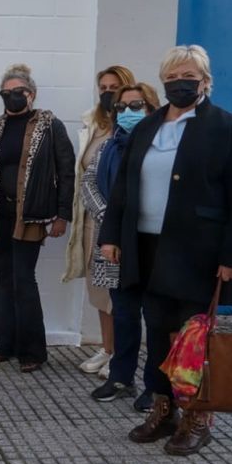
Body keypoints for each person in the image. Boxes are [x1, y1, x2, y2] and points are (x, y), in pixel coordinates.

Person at [100, 45, 232, 456]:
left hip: (198, 252)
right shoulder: (147, 127)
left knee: (192, 338)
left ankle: (198, 416)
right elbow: (123, 189)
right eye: (171, 77)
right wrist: (111, 236)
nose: (179, 83)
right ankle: (163, 406)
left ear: (205, 80)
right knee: (156, 330)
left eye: (187, 75)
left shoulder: (228, 127)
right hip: (147, 248)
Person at [0, 64, 76, 373]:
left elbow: (66, 171)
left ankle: (33, 352)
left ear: (31, 94)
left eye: (18, 92)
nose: (12, 97)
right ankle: (5, 344)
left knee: (23, 279)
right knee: (2, 279)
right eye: (6, 93)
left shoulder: (49, 125)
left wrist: (62, 215)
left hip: (31, 215)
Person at [86, 82, 162, 412]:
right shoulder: (109, 146)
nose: (127, 113)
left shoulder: (162, 146)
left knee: (157, 318)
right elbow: (89, 184)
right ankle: (120, 377)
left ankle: (156, 387)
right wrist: (109, 218)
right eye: (122, 107)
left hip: (151, 242)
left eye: (136, 106)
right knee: (124, 314)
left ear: (152, 108)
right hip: (114, 241)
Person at [63, 65, 135, 378]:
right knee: (99, 292)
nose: (107, 92)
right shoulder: (93, 124)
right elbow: (86, 176)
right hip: (92, 221)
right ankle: (107, 348)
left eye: (114, 87)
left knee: (117, 295)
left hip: (117, 225)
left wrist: (110, 215)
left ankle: (120, 355)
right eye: (102, 86)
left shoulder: (132, 127)